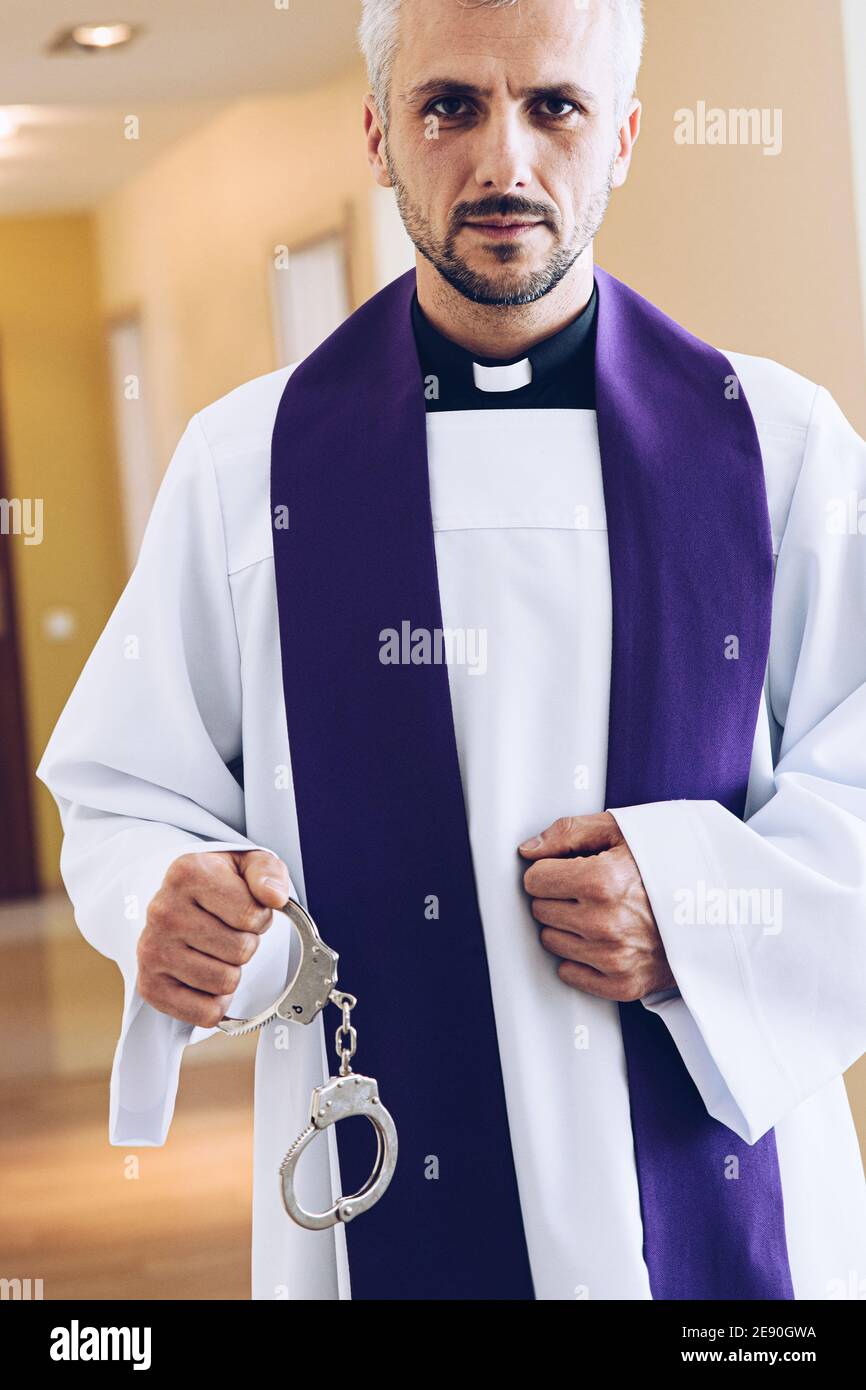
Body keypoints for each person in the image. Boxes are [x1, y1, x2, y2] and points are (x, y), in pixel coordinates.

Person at [38, 0, 866, 1300]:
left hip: (717, 1218)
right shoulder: (248, 466)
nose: (502, 163)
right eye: (449, 107)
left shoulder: (776, 446)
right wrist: (182, 900)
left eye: (553, 106)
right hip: (379, 1195)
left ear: (625, 135)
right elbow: (129, 789)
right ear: (377, 133)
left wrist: (700, 912)